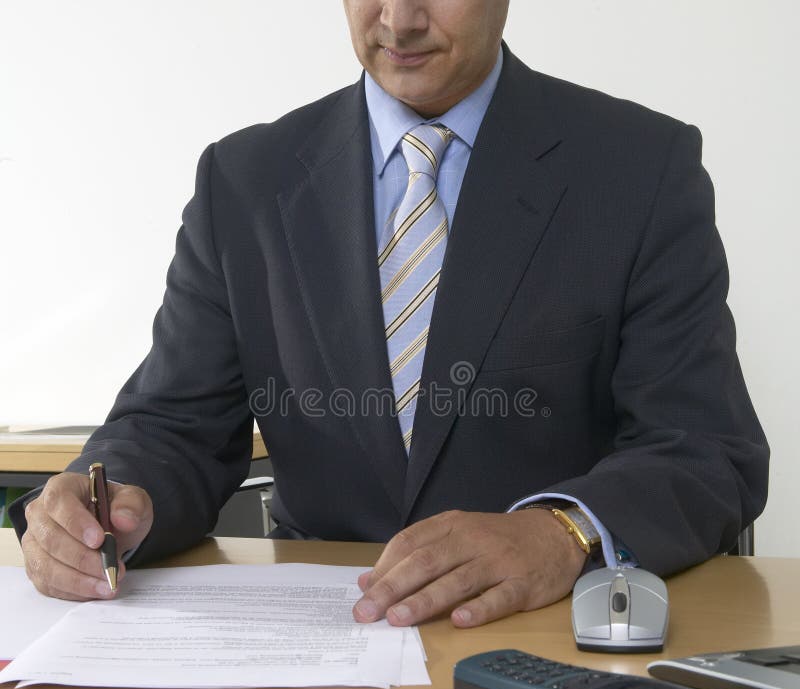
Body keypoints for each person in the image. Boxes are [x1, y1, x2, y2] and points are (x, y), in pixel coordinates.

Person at [11, 0, 768, 628]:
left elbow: (706, 448)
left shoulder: (638, 169)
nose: (399, 20)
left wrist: (558, 532)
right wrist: (108, 505)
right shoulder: (243, 183)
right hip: (320, 643)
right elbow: (173, 427)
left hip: (546, 637)